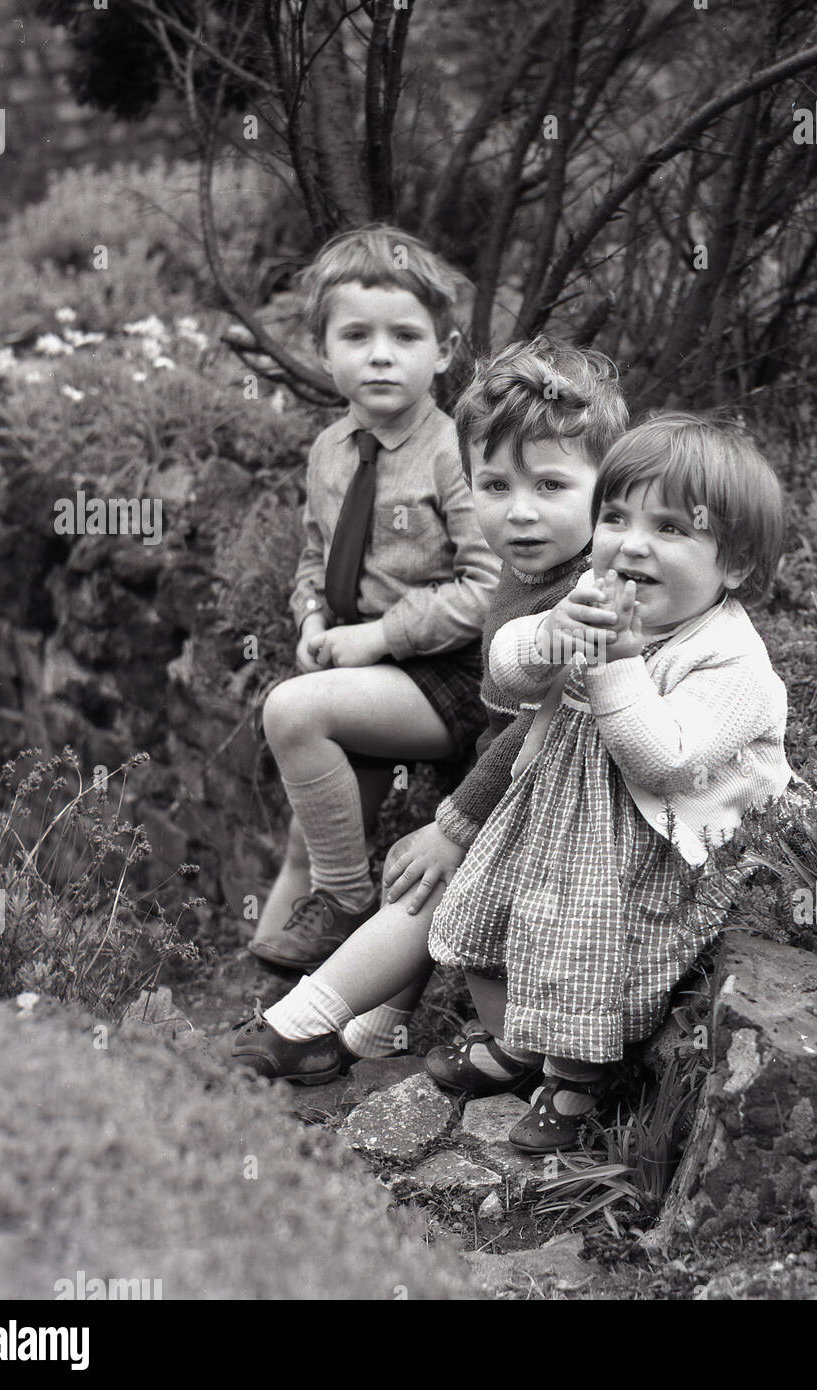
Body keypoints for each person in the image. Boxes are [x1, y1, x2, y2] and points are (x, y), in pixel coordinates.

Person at [233, 337, 628, 1078]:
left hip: (574, 808)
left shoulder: (585, 598)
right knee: (416, 866)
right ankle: (375, 1031)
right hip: (515, 775)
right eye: (495, 485)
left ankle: (300, 1027)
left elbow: (541, 735)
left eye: (550, 487)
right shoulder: (525, 570)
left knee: (435, 870)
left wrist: (457, 823)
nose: (520, 513)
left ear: (606, 489)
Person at [424, 412, 800, 1153]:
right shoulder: (592, 600)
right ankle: (514, 1041)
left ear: (736, 565)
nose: (631, 544)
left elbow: (666, 762)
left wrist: (619, 662)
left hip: (658, 845)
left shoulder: (733, 663)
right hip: (561, 811)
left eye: (669, 529)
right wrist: (546, 634)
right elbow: (502, 677)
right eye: (616, 517)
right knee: (483, 912)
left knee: (583, 943)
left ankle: (576, 1078)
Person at [248, 225, 501, 975]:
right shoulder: (329, 450)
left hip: (449, 678)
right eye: (356, 335)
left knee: (292, 711)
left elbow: (487, 588)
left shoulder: (456, 450)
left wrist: (378, 636)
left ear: (445, 352)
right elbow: (313, 555)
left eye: (405, 335)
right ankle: (263, 1025)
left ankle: (351, 911)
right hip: (364, 670)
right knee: (309, 843)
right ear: (324, 352)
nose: (381, 353)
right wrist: (314, 618)